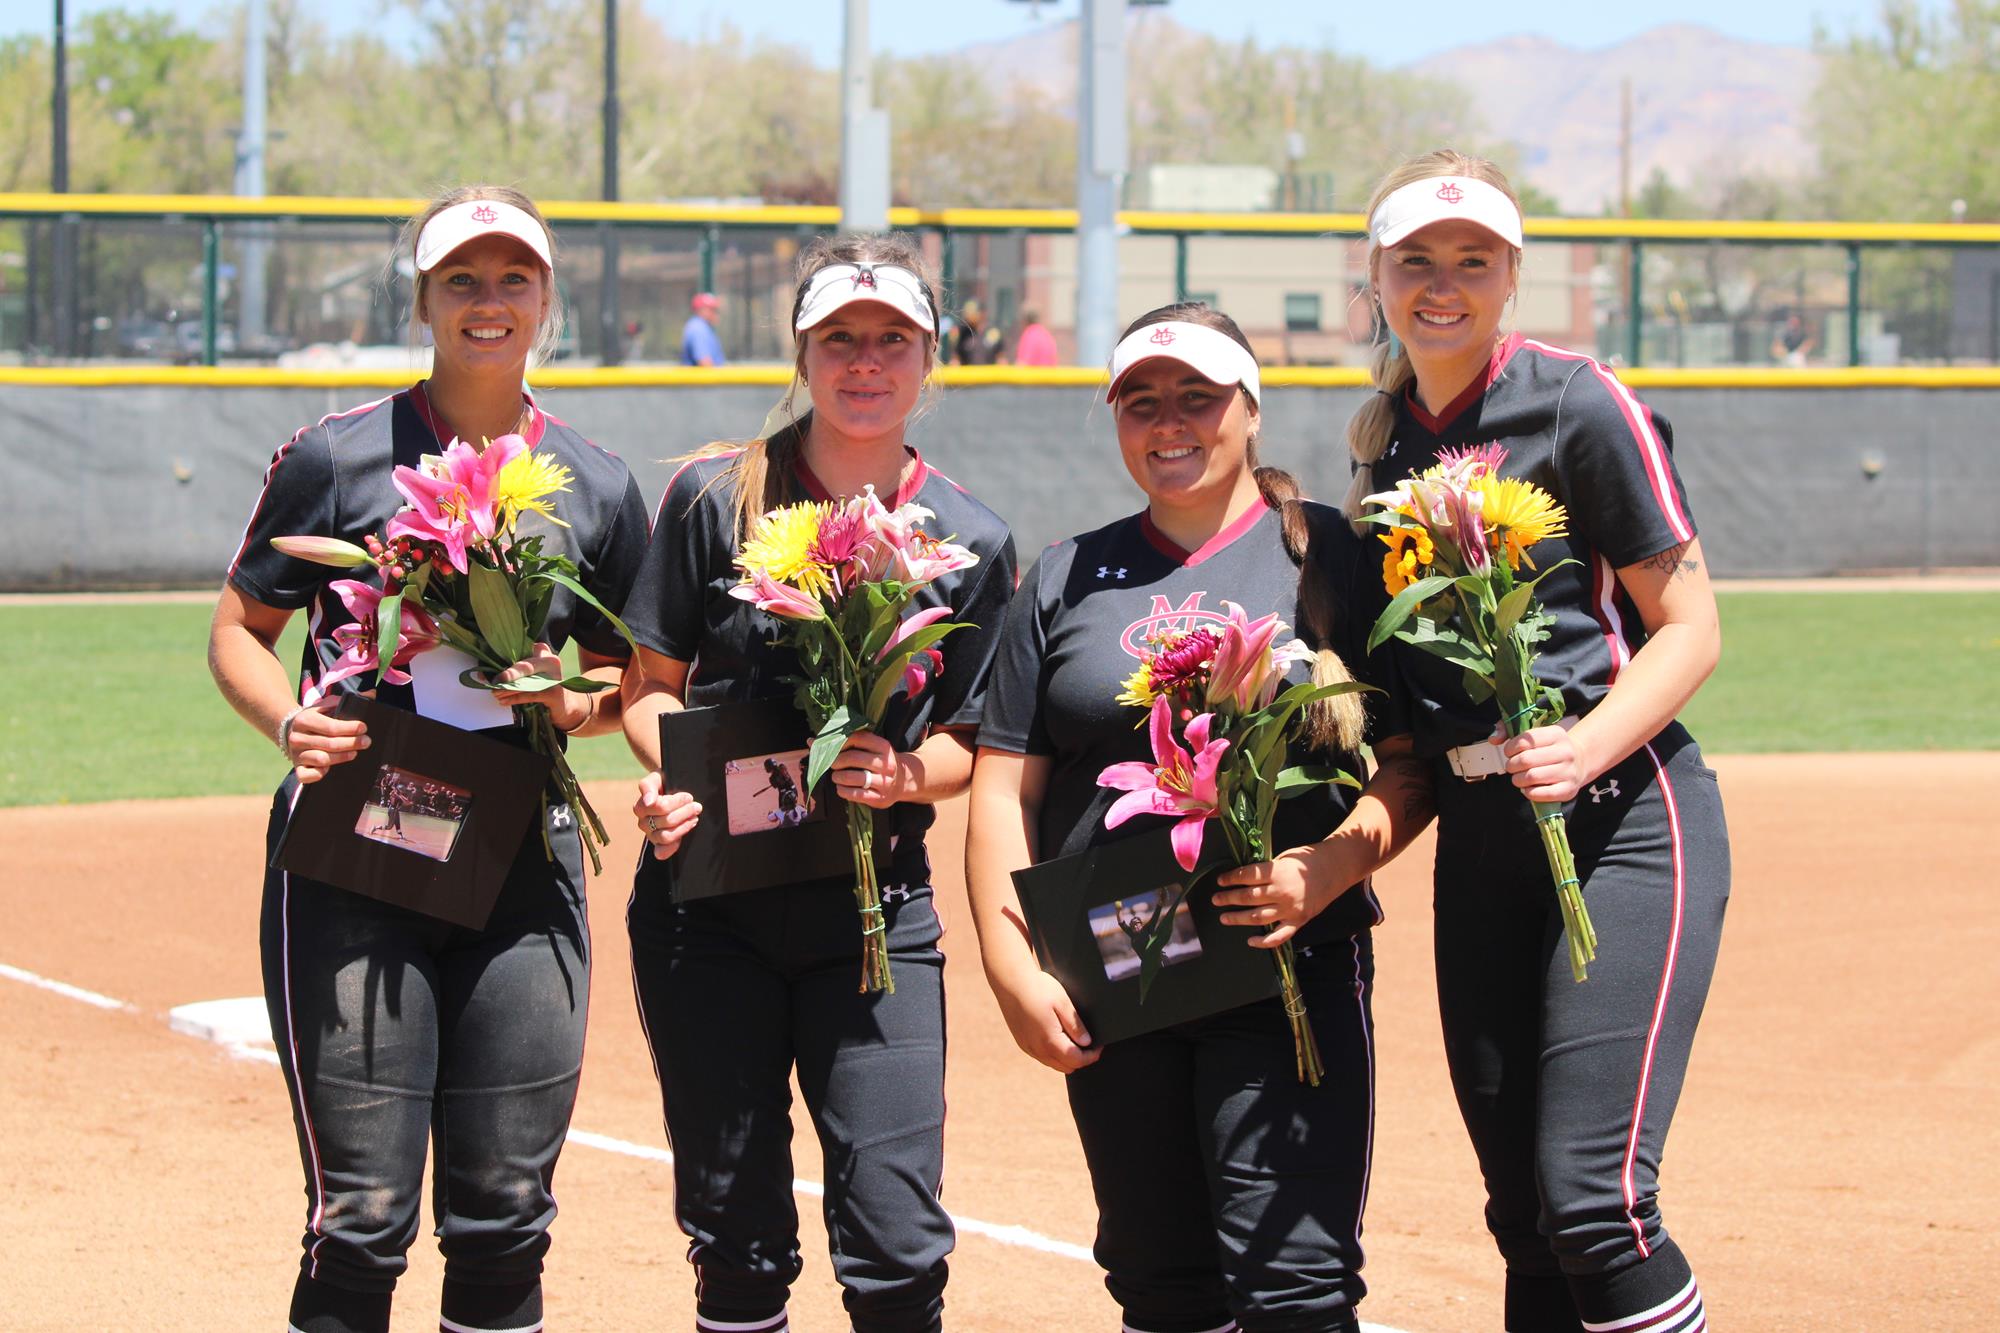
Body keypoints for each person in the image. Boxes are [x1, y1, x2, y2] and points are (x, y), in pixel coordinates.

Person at [208, 185, 651, 1333]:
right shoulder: (338, 455)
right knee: (361, 1215)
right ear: (422, 300)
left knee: (505, 1215)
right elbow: (239, 630)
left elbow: (633, 678)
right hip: (363, 836)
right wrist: (287, 722)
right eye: (461, 278)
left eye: (513, 278)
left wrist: (567, 699)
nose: (487, 300)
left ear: (546, 300)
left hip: (523, 853)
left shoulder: (594, 483)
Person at [1318, 149, 1731, 1332]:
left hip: (1620, 822)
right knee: (1526, 1221)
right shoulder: (1381, 450)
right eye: (1414, 261)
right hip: (1483, 847)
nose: (1440, 284)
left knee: (1594, 1204)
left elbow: (1690, 628)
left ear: (1511, 276)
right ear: (1374, 277)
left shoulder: (1576, 403)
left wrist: (1587, 744)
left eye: (1471, 260)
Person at [965, 302, 1391, 1333]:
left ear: (1250, 409)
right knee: (1162, 1288)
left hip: (1283, 960)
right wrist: (1012, 970)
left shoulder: (1329, 556)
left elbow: (1414, 764)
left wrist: (1327, 870)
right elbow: (1003, 789)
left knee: (1295, 1287)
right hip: (1121, 962)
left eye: (1198, 397)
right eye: (1141, 402)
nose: (1169, 422)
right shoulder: (1065, 574)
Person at [619, 233, 1017, 1333]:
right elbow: (646, 686)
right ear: (801, 354)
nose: (864, 361)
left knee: (896, 1245)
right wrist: (671, 774)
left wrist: (904, 771)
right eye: (838, 337)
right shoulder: (717, 495)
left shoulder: (969, 538)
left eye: (892, 338)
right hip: (710, 912)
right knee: (737, 1240)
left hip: (873, 916)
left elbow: (973, 740)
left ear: (929, 359)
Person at [682, 291, 725, 367]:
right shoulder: (699, 328)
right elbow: (705, 363)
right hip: (704, 375)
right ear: (702, 310)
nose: (716, 314)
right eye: (714, 310)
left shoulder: (702, 326)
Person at [953, 296, 1000, 365]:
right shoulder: (962, 333)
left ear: (982, 313)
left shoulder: (993, 333)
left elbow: (1000, 359)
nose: (968, 316)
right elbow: (956, 359)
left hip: (989, 372)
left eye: (972, 313)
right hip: (968, 372)